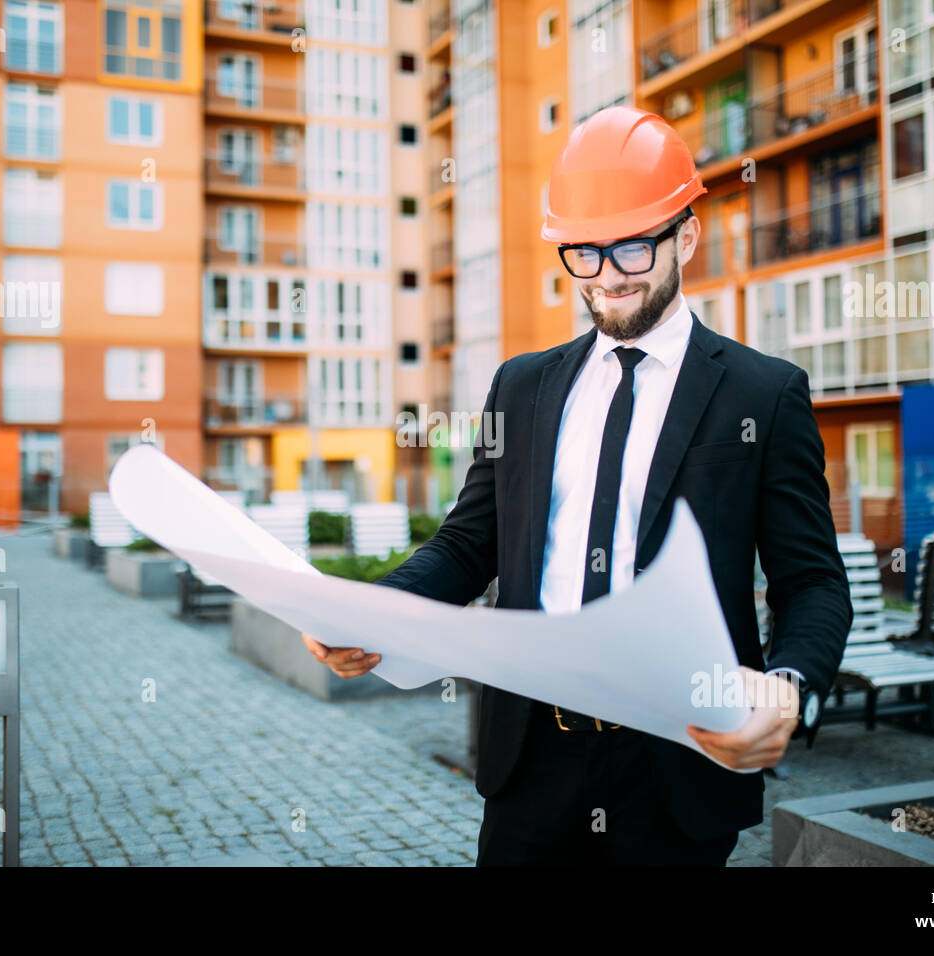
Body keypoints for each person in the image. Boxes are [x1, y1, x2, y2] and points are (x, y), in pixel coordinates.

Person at [301, 105, 852, 866]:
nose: (607, 277)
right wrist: (372, 611)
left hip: (678, 766)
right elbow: (470, 543)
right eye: (583, 254)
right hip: (530, 760)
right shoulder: (521, 388)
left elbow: (814, 582)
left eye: (631, 247)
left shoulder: (765, 395)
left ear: (685, 235)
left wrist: (789, 686)